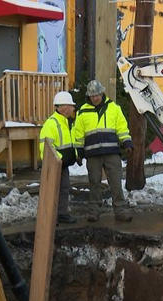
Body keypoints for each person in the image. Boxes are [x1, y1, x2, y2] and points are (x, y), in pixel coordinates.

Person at [73, 79, 133, 222]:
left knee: (116, 182)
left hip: (111, 152)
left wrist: (127, 142)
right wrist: (79, 152)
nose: (95, 98)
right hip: (93, 154)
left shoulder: (114, 108)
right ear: (89, 96)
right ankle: (94, 211)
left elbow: (122, 127)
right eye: (92, 96)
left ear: (102, 93)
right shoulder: (82, 111)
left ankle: (120, 210)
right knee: (94, 183)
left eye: (97, 95)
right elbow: (78, 134)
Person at [39, 91, 79, 224]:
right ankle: (51, 217)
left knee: (63, 189)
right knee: (53, 192)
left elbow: (71, 141)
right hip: (55, 165)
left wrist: (75, 156)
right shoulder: (51, 124)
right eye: (71, 106)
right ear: (63, 107)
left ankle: (61, 214)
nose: (73, 108)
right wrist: (59, 159)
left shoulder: (65, 122)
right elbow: (45, 148)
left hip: (63, 165)